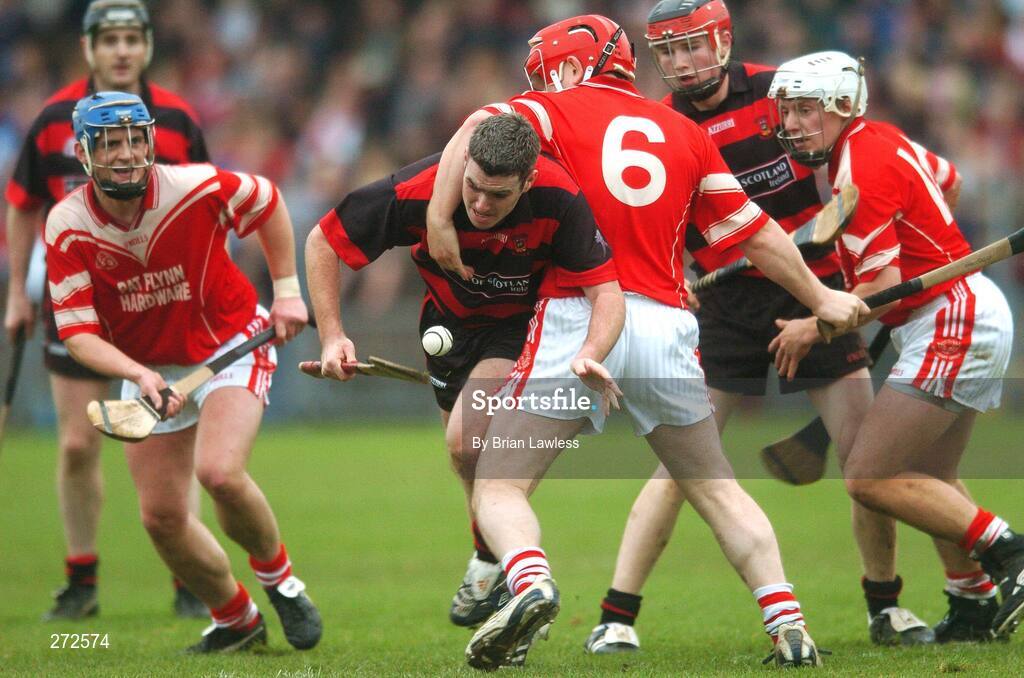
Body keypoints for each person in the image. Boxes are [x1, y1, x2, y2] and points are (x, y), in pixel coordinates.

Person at [424, 15, 867, 669]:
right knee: (715, 487)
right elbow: (756, 231)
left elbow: (477, 132)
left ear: (575, 68)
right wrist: (823, 297)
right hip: (663, 326)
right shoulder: (684, 131)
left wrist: (438, 216)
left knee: (499, 486)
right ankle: (788, 624)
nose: (543, 81)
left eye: (550, 68)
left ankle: (529, 580)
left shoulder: (552, 110)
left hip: (578, 320)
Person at [584, 0, 935, 653]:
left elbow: (857, 158)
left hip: (817, 291)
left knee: (865, 458)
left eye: (695, 45)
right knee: (683, 463)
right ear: (655, 58)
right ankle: (616, 617)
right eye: (670, 51)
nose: (685, 62)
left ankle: (884, 607)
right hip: (725, 306)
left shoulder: (786, 92)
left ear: (722, 39)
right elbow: (652, 221)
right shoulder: (656, 127)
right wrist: (669, 271)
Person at [303, 112, 624, 664]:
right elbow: (323, 242)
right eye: (472, 187)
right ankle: (490, 558)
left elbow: (607, 292)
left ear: (526, 182)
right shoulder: (420, 191)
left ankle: (507, 575)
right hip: (446, 329)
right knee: (467, 459)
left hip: (517, 330)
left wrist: (589, 354)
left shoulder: (558, 198)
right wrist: (333, 336)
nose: (478, 205)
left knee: (465, 442)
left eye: (496, 196)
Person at [43, 91, 322, 653]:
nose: (126, 153)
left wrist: (288, 292)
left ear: (150, 141)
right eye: (111, 142)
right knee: (162, 518)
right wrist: (140, 375)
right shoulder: (67, 225)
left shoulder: (191, 186)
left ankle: (281, 581)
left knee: (218, 472)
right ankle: (236, 619)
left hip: (232, 342)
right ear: (84, 153)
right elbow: (77, 334)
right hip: (149, 369)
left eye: (135, 139)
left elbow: (266, 201)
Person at [766, 50, 1021, 642]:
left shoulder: (863, 166)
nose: (794, 123)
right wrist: (922, 231)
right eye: (788, 111)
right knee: (928, 476)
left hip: (952, 317)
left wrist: (813, 325)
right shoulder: (876, 140)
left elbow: (876, 290)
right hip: (959, 310)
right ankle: (974, 601)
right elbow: (947, 182)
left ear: (843, 106)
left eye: (807, 110)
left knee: (870, 477)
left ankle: (1010, 553)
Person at [3, 0, 210, 620]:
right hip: (78, 302)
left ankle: (189, 579)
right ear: (89, 48)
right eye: (109, 39)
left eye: (132, 38)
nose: (121, 50)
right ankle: (81, 581)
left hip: (157, 300)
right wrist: (17, 290)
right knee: (77, 445)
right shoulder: (50, 122)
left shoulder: (176, 119)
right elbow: (21, 205)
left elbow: (202, 201)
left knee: (171, 443)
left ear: (147, 45)